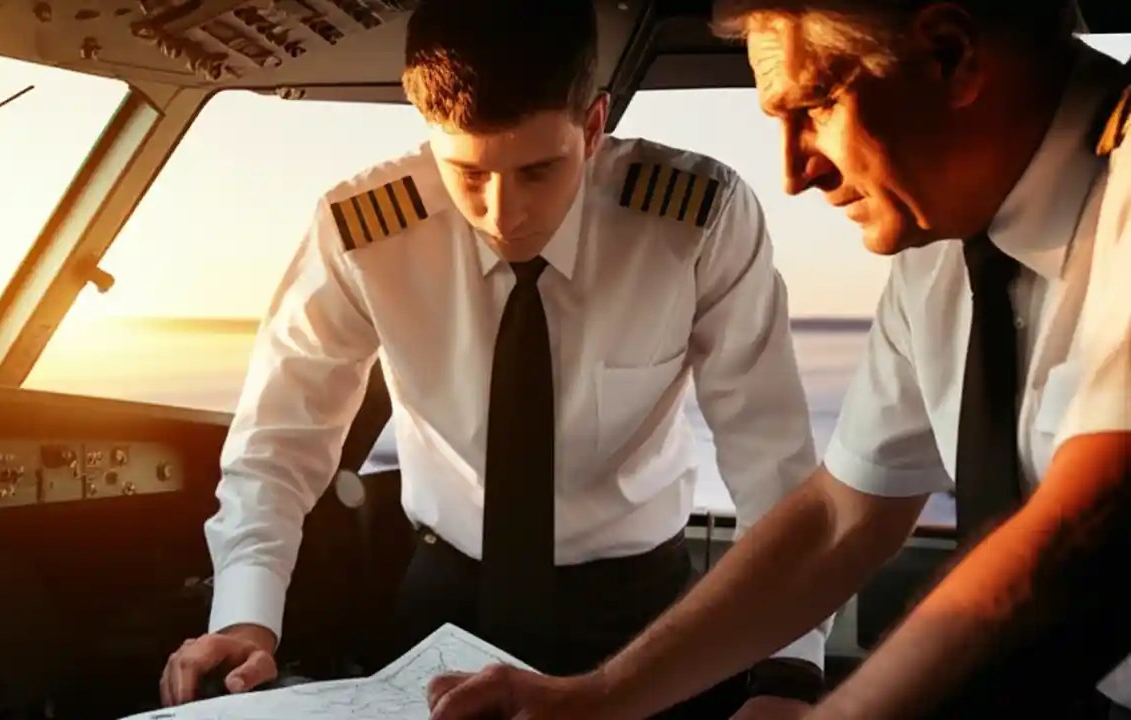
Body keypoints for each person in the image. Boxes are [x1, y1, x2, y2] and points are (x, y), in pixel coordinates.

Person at [427, 1, 1131, 719]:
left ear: (950, 55)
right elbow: (840, 517)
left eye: (818, 106)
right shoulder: (941, 251)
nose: (795, 173)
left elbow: (1094, 534)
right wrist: (594, 700)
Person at [159, 0, 829, 717]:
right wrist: (244, 617)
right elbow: (279, 441)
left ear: (595, 126)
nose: (504, 213)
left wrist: (790, 674)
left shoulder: (695, 218)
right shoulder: (365, 230)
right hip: (446, 601)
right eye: (469, 173)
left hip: (637, 613)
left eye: (539, 170)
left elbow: (772, 457)